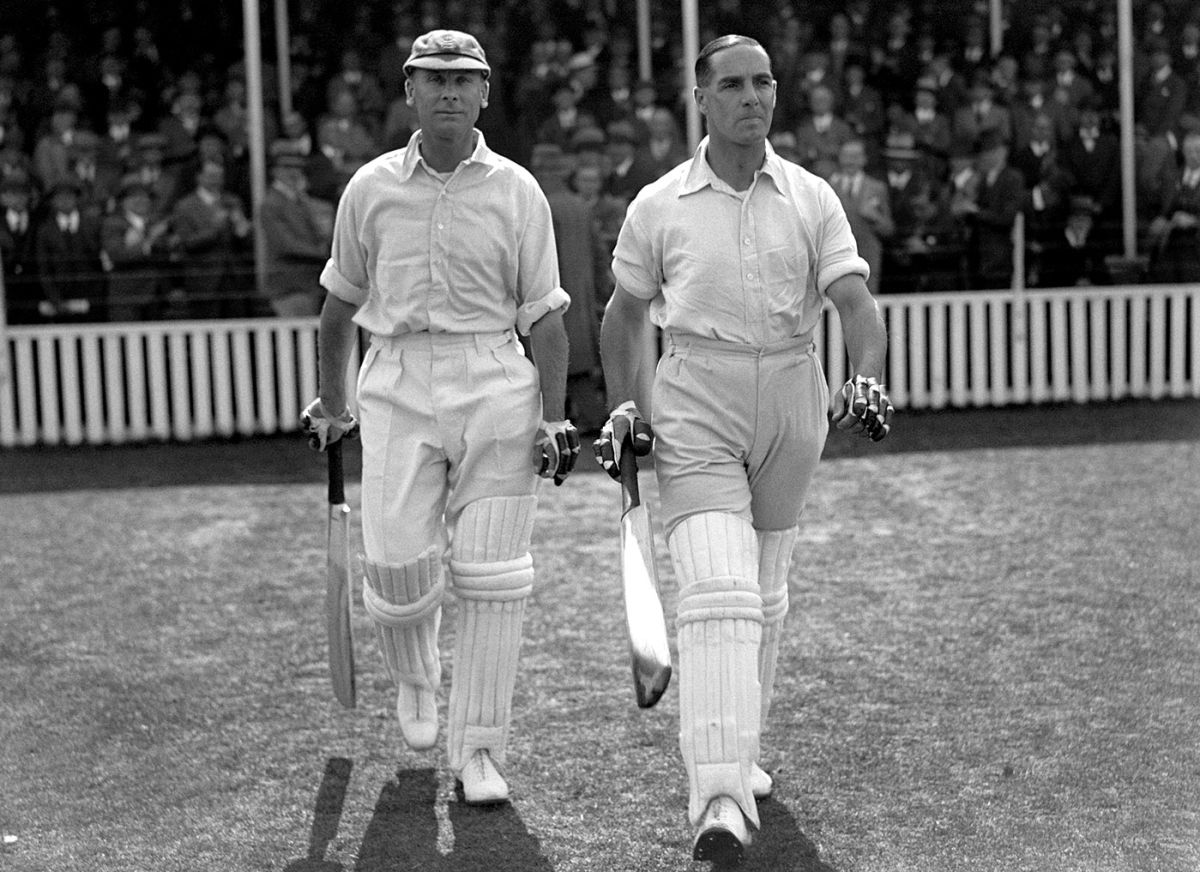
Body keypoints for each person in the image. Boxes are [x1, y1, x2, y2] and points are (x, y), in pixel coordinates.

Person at [593, 35, 893, 866]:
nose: (752, 96)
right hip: (698, 398)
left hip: (793, 401)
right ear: (701, 98)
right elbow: (624, 316)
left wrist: (865, 376)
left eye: (764, 82)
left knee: (762, 595)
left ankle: (739, 747)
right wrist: (628, 402)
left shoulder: (810, 195)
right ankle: (717, 795)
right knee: (719, 591)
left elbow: (856, 306)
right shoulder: (660, 203)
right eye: (732, 84)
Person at [299, 29, 580, 807]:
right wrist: (335, 402)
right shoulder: (370, 187)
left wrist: (554, 421)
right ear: (410, 91)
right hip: (396, 380)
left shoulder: (519, 190)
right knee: (394, 568)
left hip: (494, 374)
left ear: (486, 93)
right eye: (434, 80)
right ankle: (417, 678)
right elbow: (338, 309)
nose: (450, 93)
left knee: (494, 579)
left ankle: (481, 751)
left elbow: (547, 318)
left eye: (465, 80)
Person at [259, 151, 333, 317]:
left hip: (309, 282)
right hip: (288, 286)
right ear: (275, 171)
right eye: (287, 167)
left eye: (298, 167)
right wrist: (324, 253)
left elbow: (320, 234)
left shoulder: (303, 200)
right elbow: (285, 244)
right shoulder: (271, 203)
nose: (294, 172)